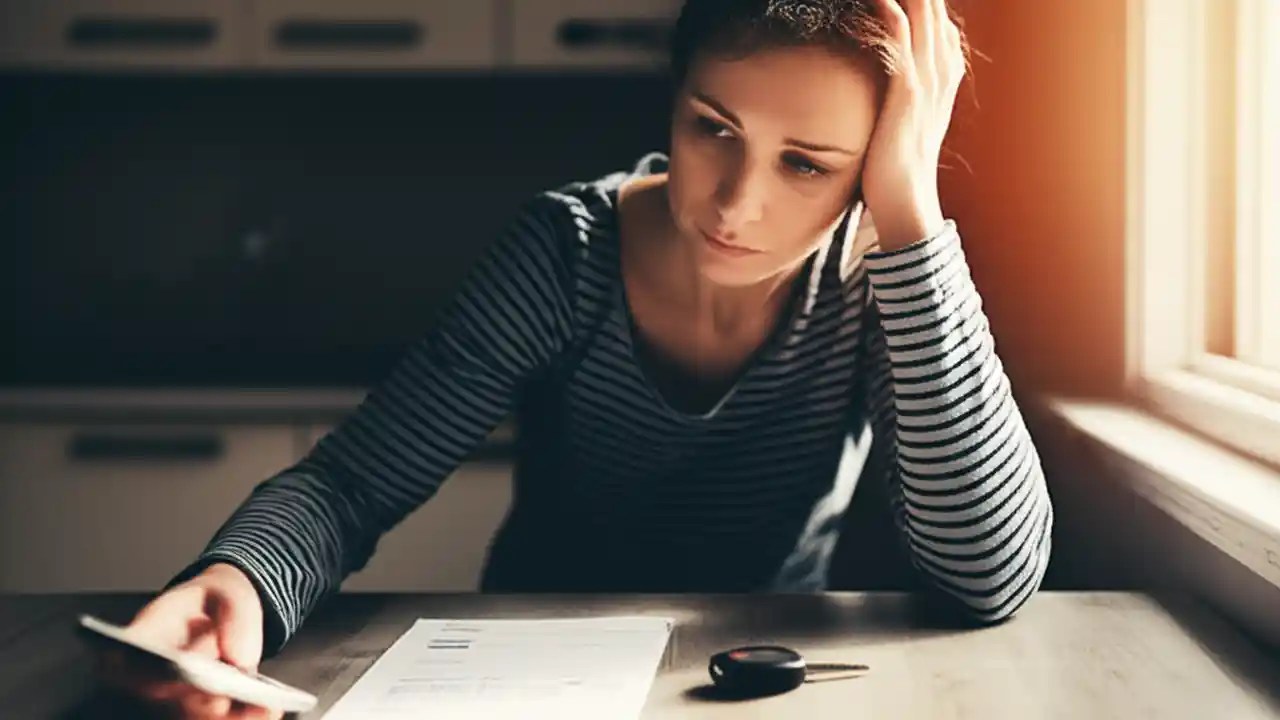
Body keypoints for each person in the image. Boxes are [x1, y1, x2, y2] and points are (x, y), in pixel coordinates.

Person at [94, 0, 1054, 716]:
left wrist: (910, 215)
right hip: (526, 676)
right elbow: (350, 487)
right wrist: (238, 581)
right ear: (671, 100)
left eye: (806, 162)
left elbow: (990, 576)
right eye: (712, 129)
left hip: (764, 682)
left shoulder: (878, 281)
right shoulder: (567, 254)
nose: (732, 205)